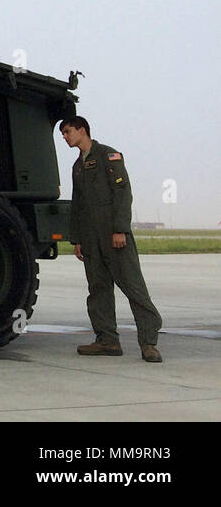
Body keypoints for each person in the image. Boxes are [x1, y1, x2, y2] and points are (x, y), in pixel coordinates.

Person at [60, 116, 163, 363]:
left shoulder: (109, 156)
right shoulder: (78, 166)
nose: (65, 137)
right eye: (63, 133)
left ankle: (148, 342)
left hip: (112, 234)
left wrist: (120, 229)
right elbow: (78, 205)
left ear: (82, 130)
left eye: (67, 131)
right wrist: (77, 239)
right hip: (90, 237)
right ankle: (107, 340)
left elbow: (122, 192)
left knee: (132, 286)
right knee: (98, 289)